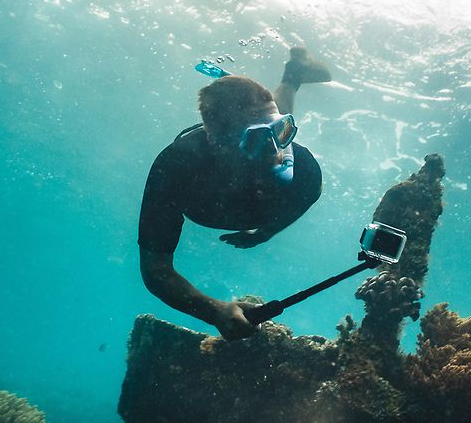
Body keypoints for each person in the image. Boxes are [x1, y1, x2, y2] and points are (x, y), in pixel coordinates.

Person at [138, 47, 331, 341]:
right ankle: (283, 80)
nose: (276, 152)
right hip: (208, 176)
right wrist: (214, 310)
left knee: (274, 109)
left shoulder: (302, 168)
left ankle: (292, 76)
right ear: (216, 142)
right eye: (256, 140)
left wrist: (266, 233)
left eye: (282, 130)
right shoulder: (176, 168)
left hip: (250, 199)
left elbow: (311, 194)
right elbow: (155, 269)